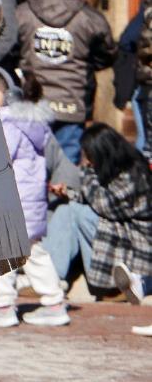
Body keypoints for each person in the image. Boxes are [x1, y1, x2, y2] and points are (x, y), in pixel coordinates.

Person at [0, 67, 69, 328]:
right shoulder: (31, 124)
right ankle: (54, 303)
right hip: (28, 201)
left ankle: (3, 306)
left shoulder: (5, 124)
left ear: (9, 97)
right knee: (34, 253)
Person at [11, 0, 115, 164]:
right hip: (72, 105)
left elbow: (9, 50)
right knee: (65, 171)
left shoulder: (21, 14)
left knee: (30, 167)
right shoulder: (91, 18)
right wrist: (83, 63)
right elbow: (107, 54)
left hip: (32, 105)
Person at [45, 121, 152, 302]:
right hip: (122, 232)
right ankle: (50, 275)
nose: (87, 160)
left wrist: (86, 173)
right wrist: (68, 192)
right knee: (67, 208)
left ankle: (51, 276)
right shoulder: (118, 166)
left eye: (89, 155)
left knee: (75, 212)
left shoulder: (133, 173)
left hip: (138, 244)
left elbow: (103, 204)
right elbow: (99, 200)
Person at [113, 0, 152, 154]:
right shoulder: (146, 9)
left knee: (146, 150)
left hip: (147, 89)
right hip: (143, 87)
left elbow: (130, 40)